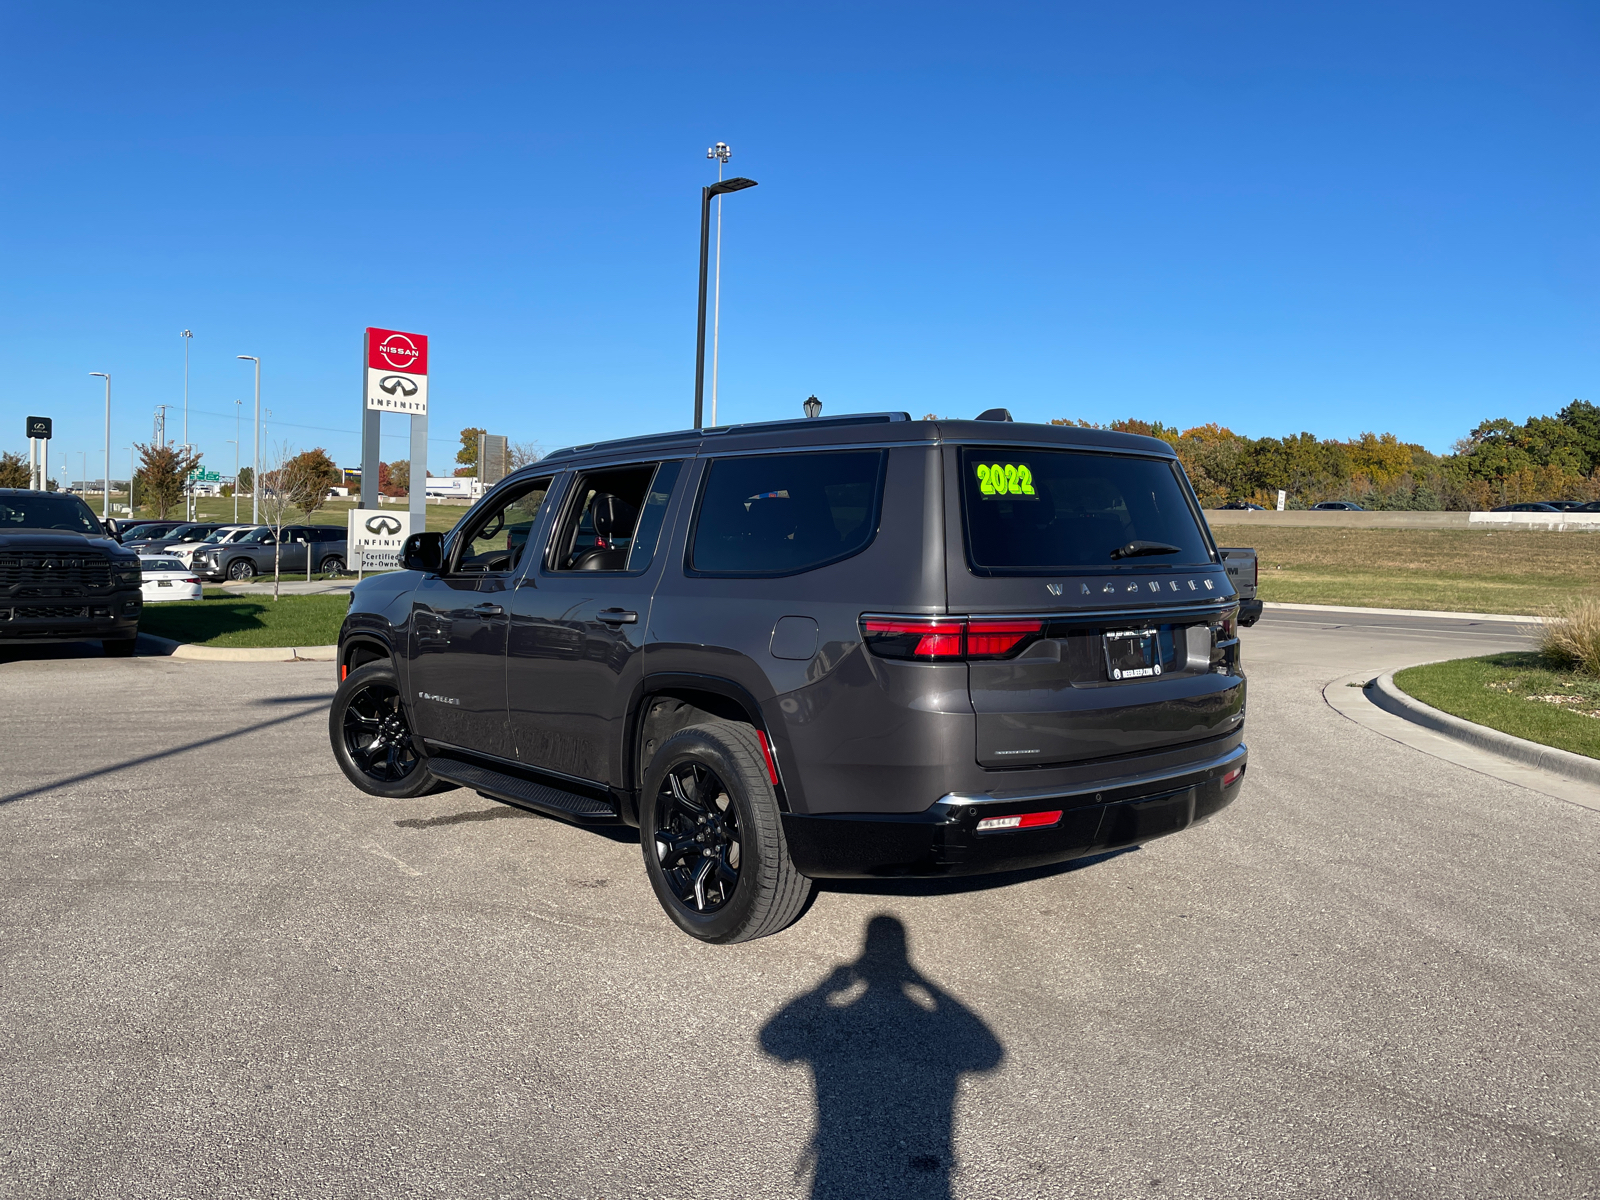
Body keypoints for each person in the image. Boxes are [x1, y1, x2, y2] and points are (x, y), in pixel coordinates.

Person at [761, 914, 1004, 1199]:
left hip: (837, 1159)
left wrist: (824, 989)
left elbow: (772, 1039)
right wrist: (926, 984)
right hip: (920, 1167)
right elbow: (987, 1054)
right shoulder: (924, 1023)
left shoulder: (838, 1018)